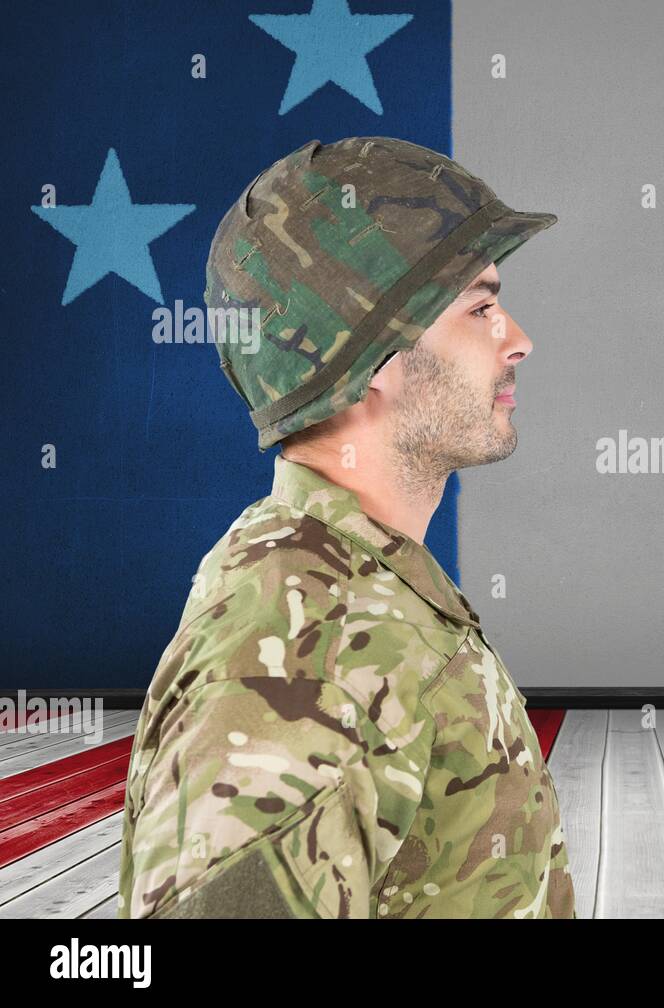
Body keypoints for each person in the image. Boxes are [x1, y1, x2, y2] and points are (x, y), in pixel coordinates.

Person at [116, 136, 575, 918]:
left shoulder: (364, 587)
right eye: (482, 309)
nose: (518, 339)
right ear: (374, 358)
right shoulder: (307, 647)